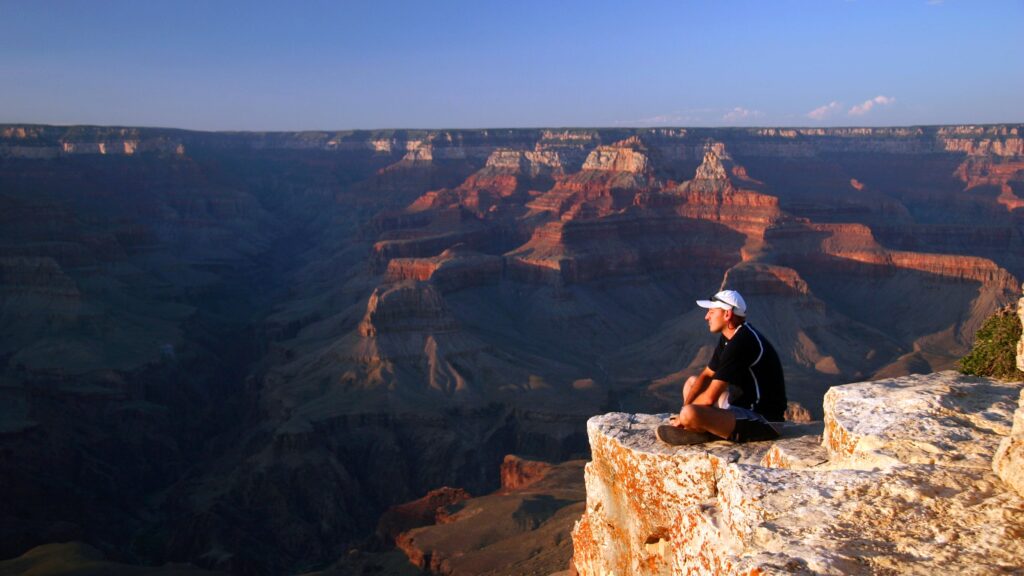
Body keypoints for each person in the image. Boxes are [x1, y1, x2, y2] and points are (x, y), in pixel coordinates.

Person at [657, 289, 787, 446]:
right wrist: (684, 409)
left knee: (690, 413)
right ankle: (703, 427)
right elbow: (706, 375)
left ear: (727, 314)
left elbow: (710, 397)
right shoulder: (729, 337)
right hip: (739, 405)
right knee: (692, 383)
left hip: (764, 421)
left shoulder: (742, 342)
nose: (706, 317)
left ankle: (705, 431)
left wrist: (684, 417)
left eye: (711, 312)